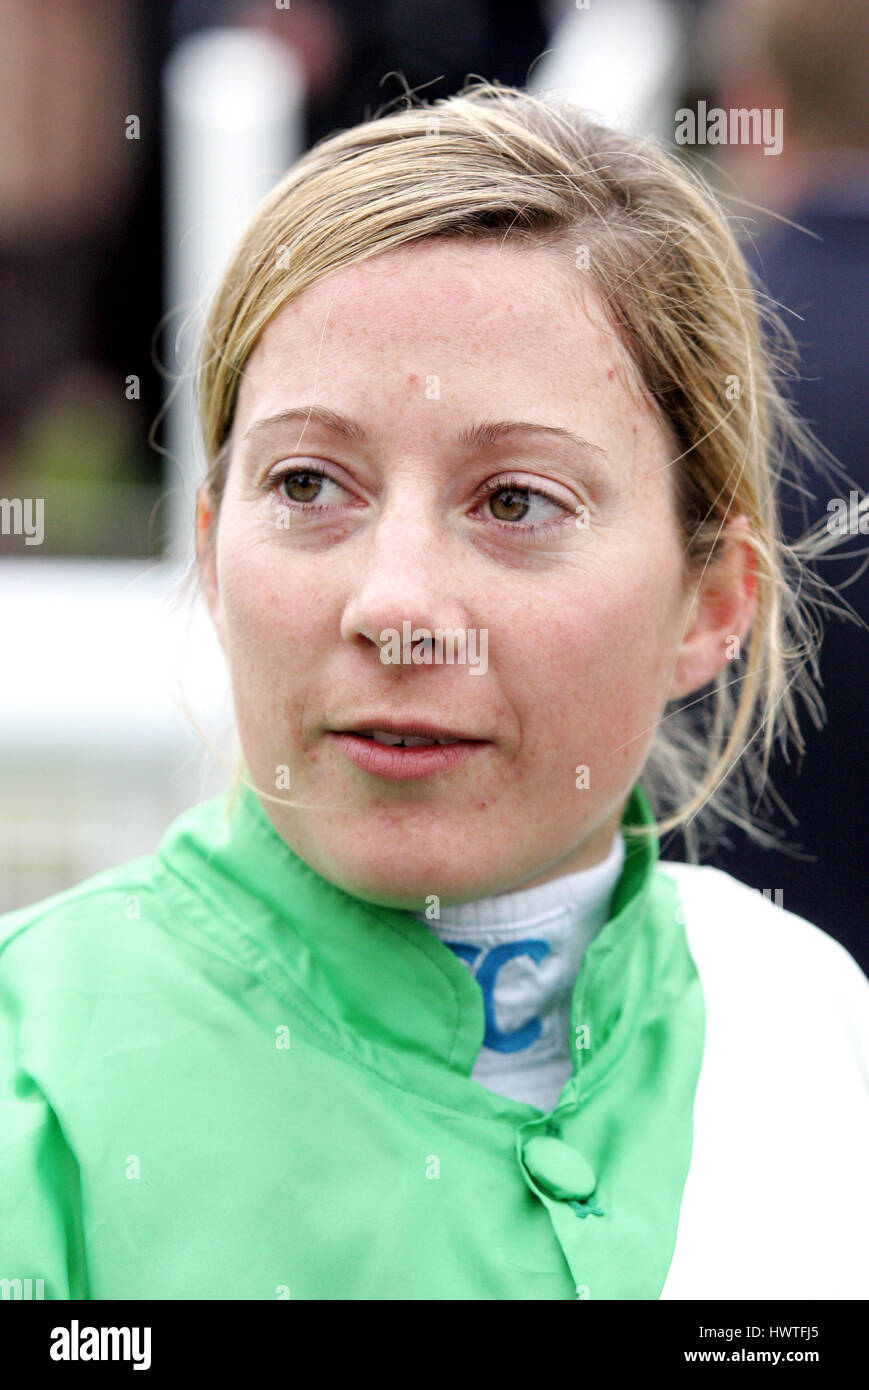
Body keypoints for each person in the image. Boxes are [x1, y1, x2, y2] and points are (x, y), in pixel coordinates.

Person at [1, 81, 867, 1301]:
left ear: (711, 600)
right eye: (308, 486)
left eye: (516, 501)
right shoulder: (30, 1077)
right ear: (209, 547)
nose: (394, 607)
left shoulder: (798, 1018)